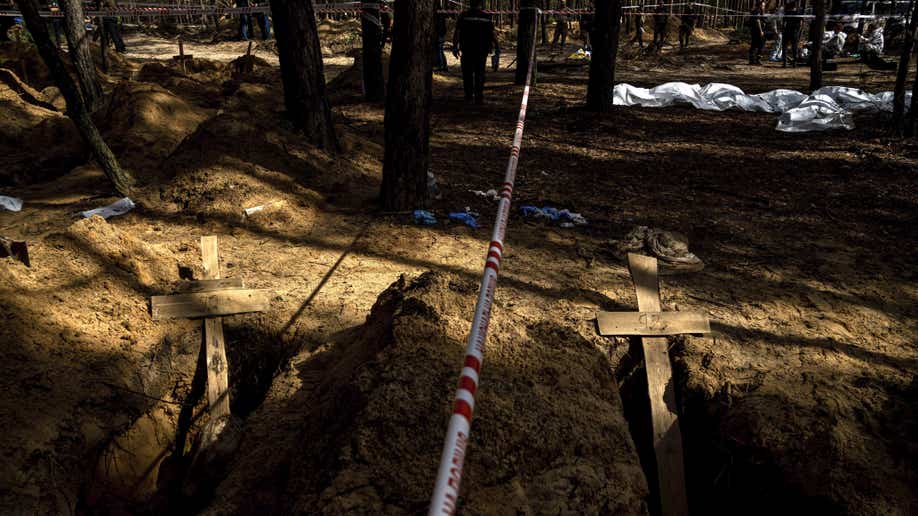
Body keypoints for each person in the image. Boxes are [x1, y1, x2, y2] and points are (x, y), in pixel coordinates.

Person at [452, 0, 497, 104]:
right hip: (482, 50)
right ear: (480, 4)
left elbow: (457, 32)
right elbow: (493, 33)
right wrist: (497, 46)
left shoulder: (463, 15)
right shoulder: (486, 16)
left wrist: (455, 46)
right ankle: (479, 96)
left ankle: (468, 95)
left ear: (470, 4)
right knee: (480, 73)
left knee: (467, 73)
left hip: (467, 49)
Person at [782, 1, 801, 67]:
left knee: (784, 47)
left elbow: (784, 23)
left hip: (787, 31)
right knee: (794, 47)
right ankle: (794, 63)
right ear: (795, 6)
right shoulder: (798, 13)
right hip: (794, 32)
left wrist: (783, 30)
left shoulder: (787, 13)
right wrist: (798, 31)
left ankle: (784, 63)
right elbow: (801, 23)